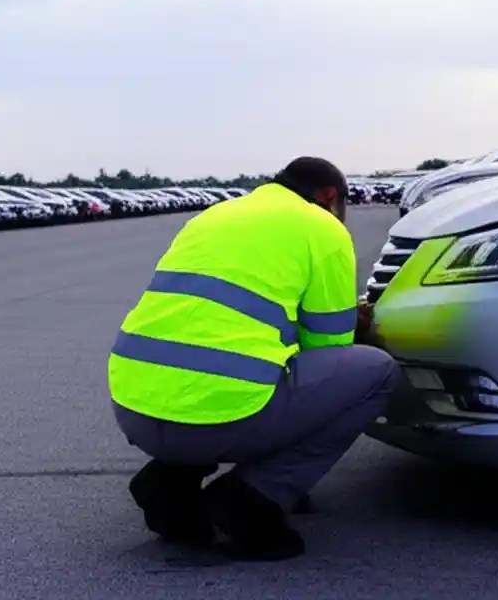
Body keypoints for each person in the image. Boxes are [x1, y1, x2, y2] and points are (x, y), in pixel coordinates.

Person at [108, 157, 400, 561]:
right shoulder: (322, 228)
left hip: (134, 406)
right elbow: (330, 349)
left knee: (223, 368)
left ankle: (170, 482)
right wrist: (358, 325)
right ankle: (252, 499)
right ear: (330, 197)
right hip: (219, 415)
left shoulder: (215, 215)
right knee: (375, 373)